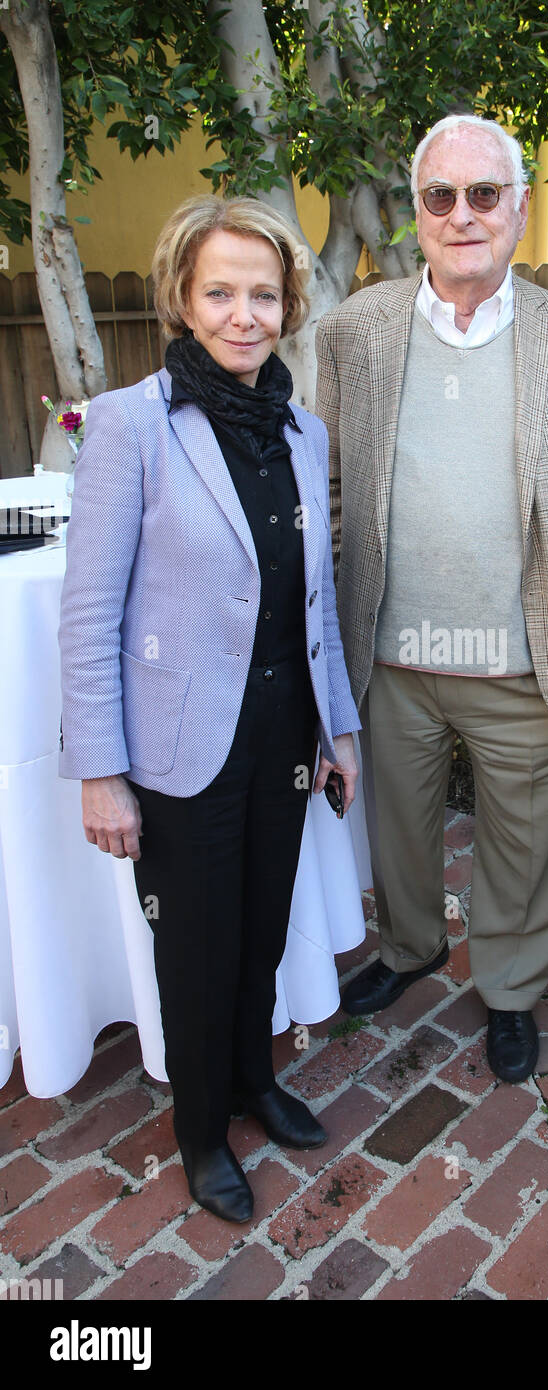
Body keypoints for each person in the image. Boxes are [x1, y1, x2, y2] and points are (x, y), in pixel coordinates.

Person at [59, 195, 360, 1222]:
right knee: (193, 946)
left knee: (262, 927)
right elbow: (88, 613)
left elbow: (316, 600)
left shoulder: (302, 429)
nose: (244, 314)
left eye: (263, 294)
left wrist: (338, 730)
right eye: (220, 292)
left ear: (289, 305)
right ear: (182, 300)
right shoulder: (127, 425)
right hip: (179, 747)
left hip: (283, 731)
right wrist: (101, 770)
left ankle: (253, 1081)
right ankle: (199, 1135)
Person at [316, 113, 548, 1083]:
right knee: (397, 829)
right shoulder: (354, 329)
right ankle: (408, 949)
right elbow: (324, 485)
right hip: (392, 654)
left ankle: (514, 985)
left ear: (519, 207)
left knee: (526, 839)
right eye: (439, 196)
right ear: (416, 211)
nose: (461, 215)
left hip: (523, 655)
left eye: (483, 193)